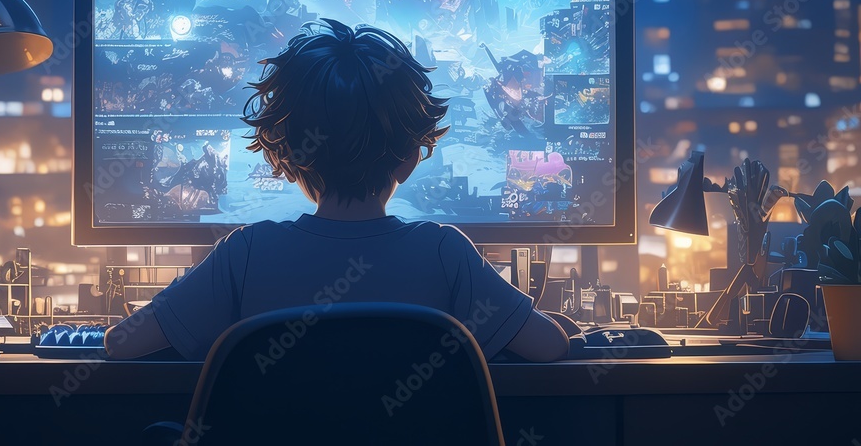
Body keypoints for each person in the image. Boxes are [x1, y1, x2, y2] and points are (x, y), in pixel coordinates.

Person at [104, 18, 569, 362]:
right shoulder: (445, 252)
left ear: (283, 157)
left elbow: (122, 344)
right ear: (410, 157)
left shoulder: (246, 253)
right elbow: (550, 347)